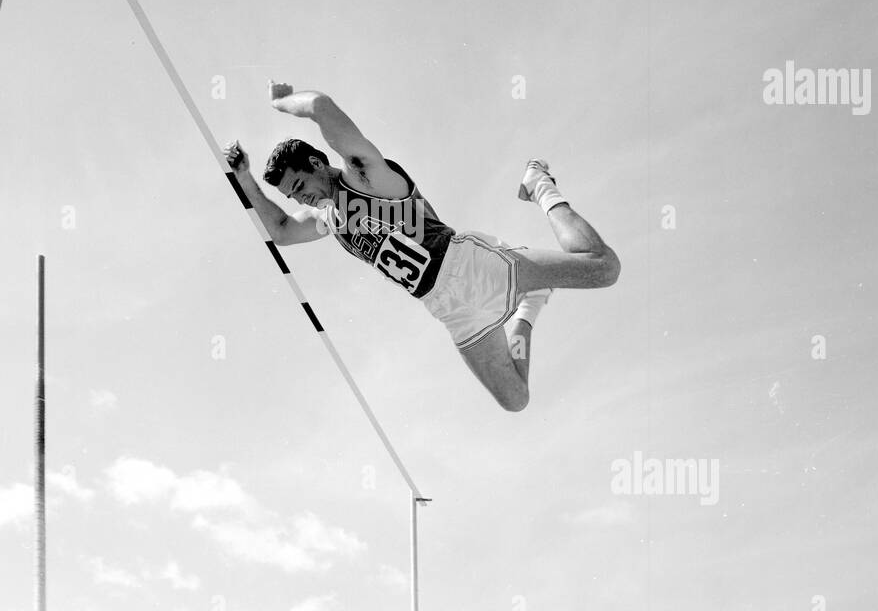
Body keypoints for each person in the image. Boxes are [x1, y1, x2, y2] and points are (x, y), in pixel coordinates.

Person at [223, 82, 619, 411]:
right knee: (516, 400)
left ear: (314, 163)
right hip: (448, 308)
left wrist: (280, 102)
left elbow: (320, 106)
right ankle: (530, 304)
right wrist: (243, 178)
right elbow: (280, 231)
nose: (300, 199)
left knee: (603, 268)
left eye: (298, 186)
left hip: (469, 264)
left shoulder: (365, 175)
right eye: (292, 196)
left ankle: (539, 185)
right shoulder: (328, 218)